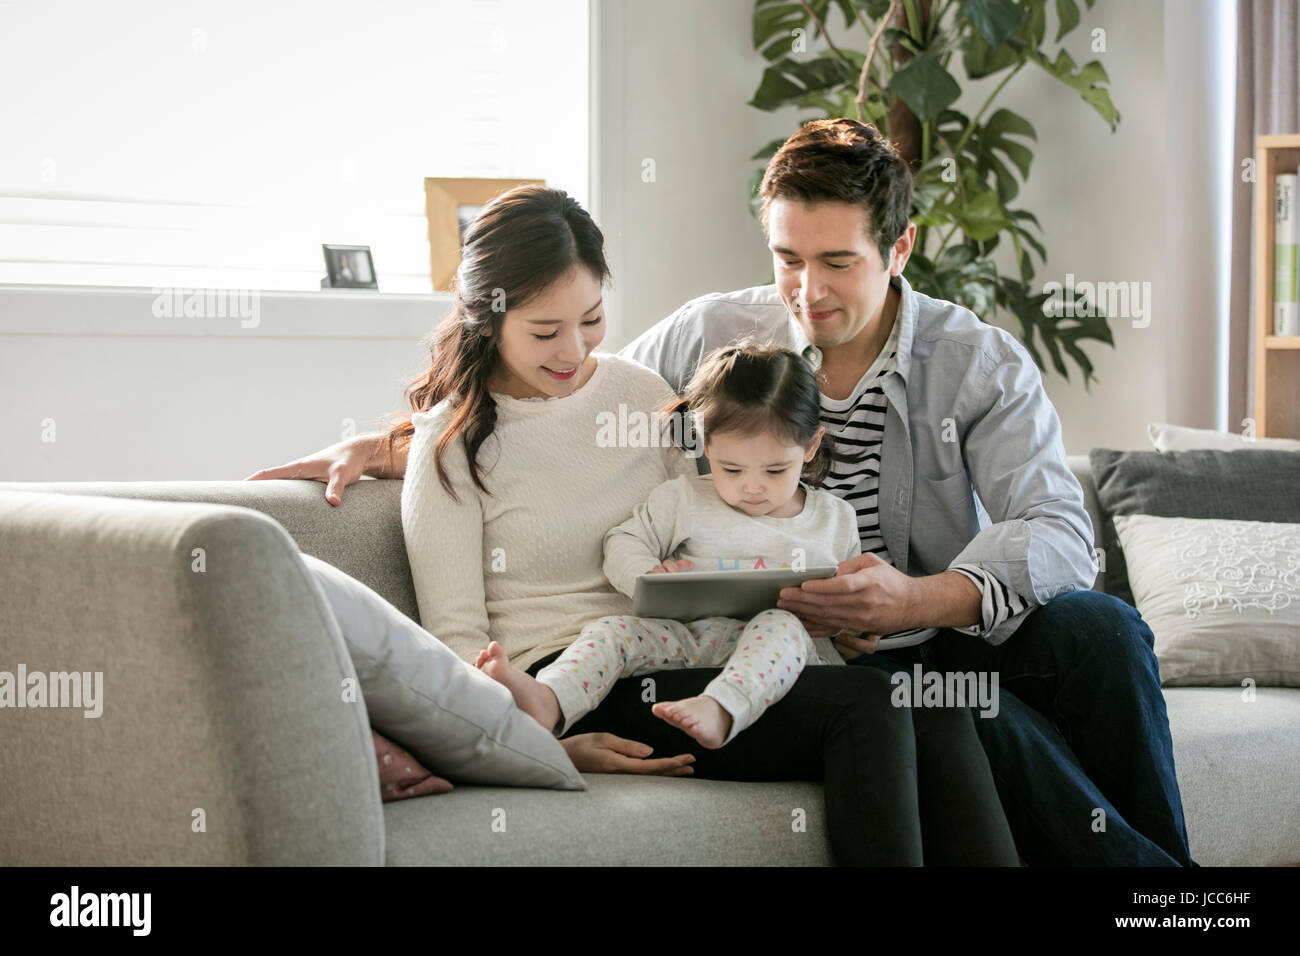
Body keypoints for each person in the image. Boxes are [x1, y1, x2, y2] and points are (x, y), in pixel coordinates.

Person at [248, 182, 1019, 866]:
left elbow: (717, 510)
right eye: (545, 332)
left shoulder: (643, 391)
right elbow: (458, 649)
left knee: (935, 712)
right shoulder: (451, 448)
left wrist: (822, 614)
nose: (575, 350)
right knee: (870, 711)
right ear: (487, 320)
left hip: (695, 647)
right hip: (577, 680)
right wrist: (549, 743)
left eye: (591, 319)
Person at [618, 118, 1197, 867]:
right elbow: (581, 401)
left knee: (1104, 629)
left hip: (942, 630)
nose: (808, 291)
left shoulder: (976, 362)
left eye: (837, 262)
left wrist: (916, 601)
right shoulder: (712, 335)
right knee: (972, 714)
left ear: (899, 250)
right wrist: (431, 423)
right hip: (801, 660)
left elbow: (1060, 532)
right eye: (787, 258)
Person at [475, 342, 865, 750]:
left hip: (784, 657)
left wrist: (850, 627)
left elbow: (853, 609)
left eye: (775, 469)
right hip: (689, 639)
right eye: (731, 468)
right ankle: (550, 699)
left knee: (780, 625)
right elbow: (623, 541)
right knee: (613, 630)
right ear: (707, 445)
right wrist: (647, 573)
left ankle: (721, 708)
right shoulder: (684, 498)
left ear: (810, 447)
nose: (752, 486)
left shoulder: (835, 520)